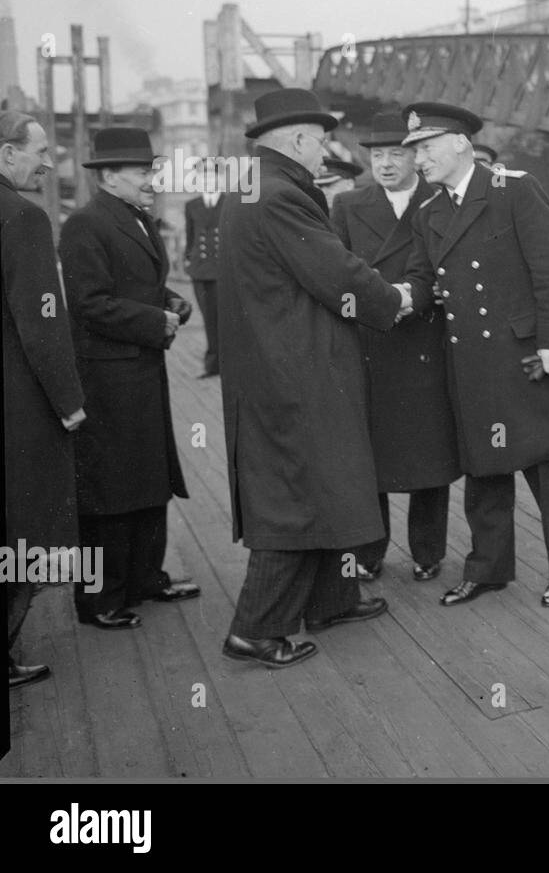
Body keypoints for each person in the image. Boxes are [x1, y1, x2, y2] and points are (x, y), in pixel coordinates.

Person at [218, 88, 409, 669]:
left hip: (282, 363)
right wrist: (394, 297)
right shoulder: (281, 197)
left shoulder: (252, 187)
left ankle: (331, 599)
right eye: (323, 140)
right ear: (299, 139)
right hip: (297, 370)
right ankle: (255, 629)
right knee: (295, 496)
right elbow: (338, 273)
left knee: (327, 479)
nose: (328, 150)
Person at [401, 101, 549, 609]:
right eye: (414, 150)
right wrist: (394, 298)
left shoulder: (515, 189)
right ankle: (487, 569)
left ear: (461, 142)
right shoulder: (429, 212)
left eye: (426, 147)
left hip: (528, 353)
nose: (418, 160)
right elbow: (423, 280)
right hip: (472, 362)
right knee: (485, 470)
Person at [58, 128, 199, 631]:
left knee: (146, 476)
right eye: (143, 174)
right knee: (109, 490)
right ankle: (98, 599)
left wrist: (168, 302)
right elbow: (89, 303)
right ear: (110, 176)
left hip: (136, 372)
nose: (151, 182)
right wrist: (153, 321)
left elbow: (140, 286)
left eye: (151, 172)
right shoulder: (85, 225)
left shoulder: (132, 220)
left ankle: (143, 578)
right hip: (108, 377)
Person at [331, 111, 459, 582]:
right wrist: (383, 302)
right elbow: (340, 270)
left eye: (397, 154)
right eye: (377, 155)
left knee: (430, 454)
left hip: (425, 338)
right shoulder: (347, 205)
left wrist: (412, 297)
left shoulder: (440, 199)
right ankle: (369, 553)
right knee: (372, 458)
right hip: (372, 342)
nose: (385, 164)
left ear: (415, 155)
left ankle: (428, 552)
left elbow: (445, 267)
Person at [1, 111, 85, 687]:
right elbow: (41, 322)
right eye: (38, 151)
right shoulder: (24, 218)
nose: (48, 162)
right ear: (7, 155)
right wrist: (69, 402)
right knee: (25, 527)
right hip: (19, 403)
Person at [183, 175, 222, 378]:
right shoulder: (192, 205)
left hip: (222, 269)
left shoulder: (229, 201)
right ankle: (212, 364)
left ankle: (228, 363)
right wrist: (187, 259)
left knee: (225, 315)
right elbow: (191, 236)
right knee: (208, 316)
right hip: (200, 269)